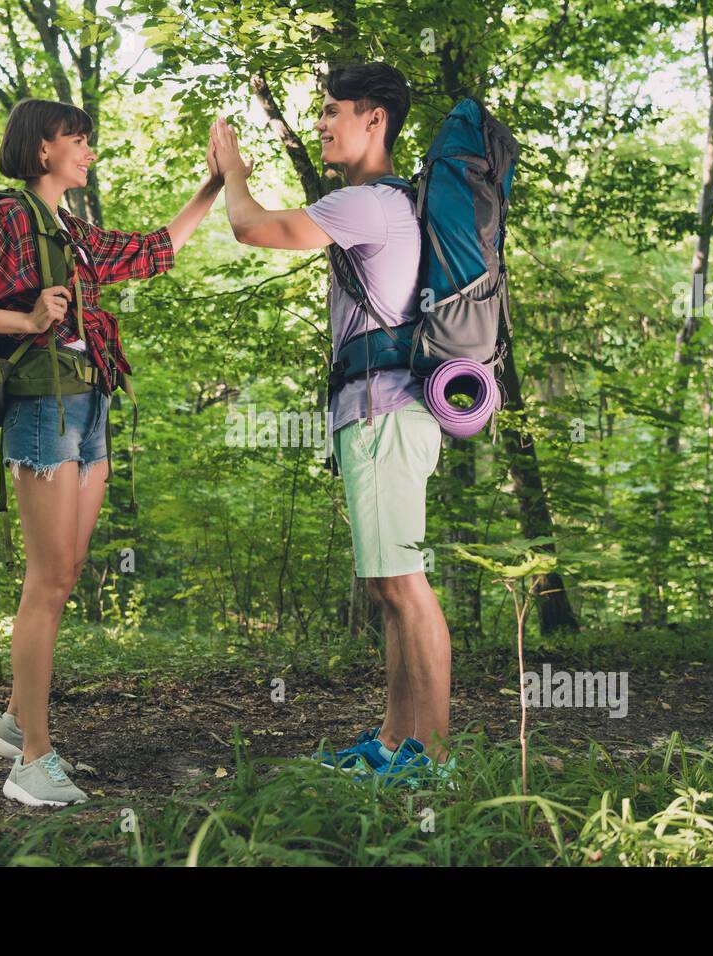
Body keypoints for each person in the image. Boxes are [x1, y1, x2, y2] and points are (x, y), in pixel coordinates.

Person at [0, 98, 223, 807]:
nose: (88, 150)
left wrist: (212, 185)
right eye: (76, 139)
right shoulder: (9, 219)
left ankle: (13, 721)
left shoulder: (71, 231)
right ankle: (31, 761)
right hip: (42, 411)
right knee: (47, 579)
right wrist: (24, 318)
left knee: (69, 570)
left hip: (91, 408)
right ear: (42, 150)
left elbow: (153, 251)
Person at [209, 63, 453, 785]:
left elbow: (251, 227)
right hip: (382, 410)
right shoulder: (388, 203)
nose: (320, 123)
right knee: (388, 586)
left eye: (332, 110)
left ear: (374, 119)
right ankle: (395, 741)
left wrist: (231, 172)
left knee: (404, 585)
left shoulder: (369, 203)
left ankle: (435, 761)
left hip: (383, 412)